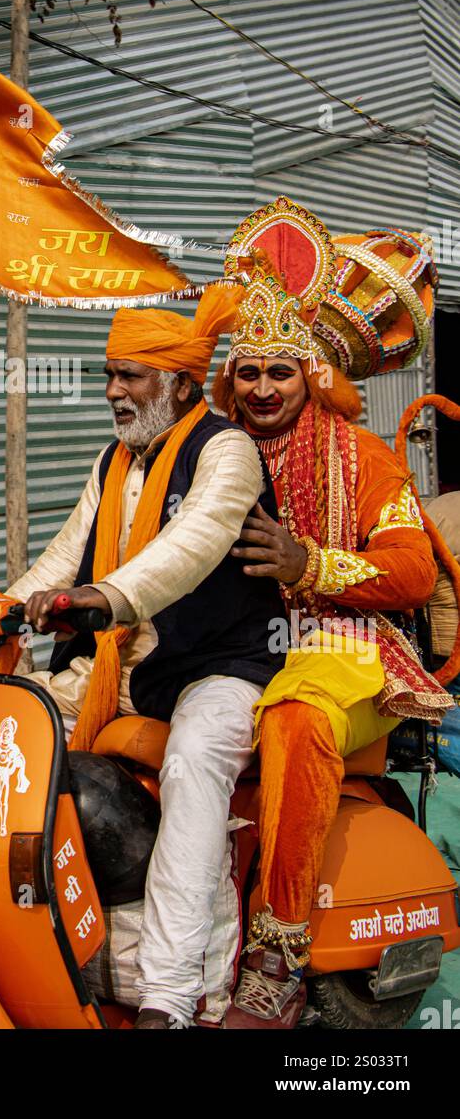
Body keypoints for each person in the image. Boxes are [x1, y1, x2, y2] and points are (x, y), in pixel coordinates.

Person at [6, 283, 288, 1029]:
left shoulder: (227, 451)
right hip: (120, 666)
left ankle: (168, 995)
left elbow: (189, 549)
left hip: (220, 668)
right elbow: (63, 557)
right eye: (109, 375)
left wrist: (104, 598)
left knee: (195, 762)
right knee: (7, 721)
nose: (113, 391)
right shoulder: (116, 462)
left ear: (182, 383)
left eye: (130, 375)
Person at [210, 197, 454, 1029]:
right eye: (249, 371)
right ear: (229, 380)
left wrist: (306, 563)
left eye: (281, 371)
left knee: (297, 724)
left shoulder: (362, 453)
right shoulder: (210, 454)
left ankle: (276, 953)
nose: (264, 388)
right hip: (227, 652)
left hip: (343, 650)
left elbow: (414, 571)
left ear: (312, 375)